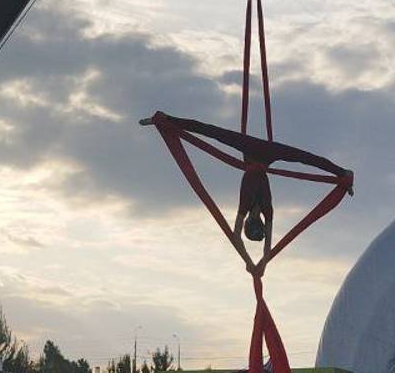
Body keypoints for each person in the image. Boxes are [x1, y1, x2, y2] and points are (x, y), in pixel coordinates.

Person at [142, 111, 353, 276]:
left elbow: (258, 244)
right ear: (250, 223)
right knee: (213, 132)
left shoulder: (260, 211)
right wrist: (254, 264)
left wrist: (256, 264)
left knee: (212, 132)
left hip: (259, 152)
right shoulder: (254, 210)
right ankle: (164, 119)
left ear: (254, 223)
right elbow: (246, 240)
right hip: (260, 153)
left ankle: (164, 119)